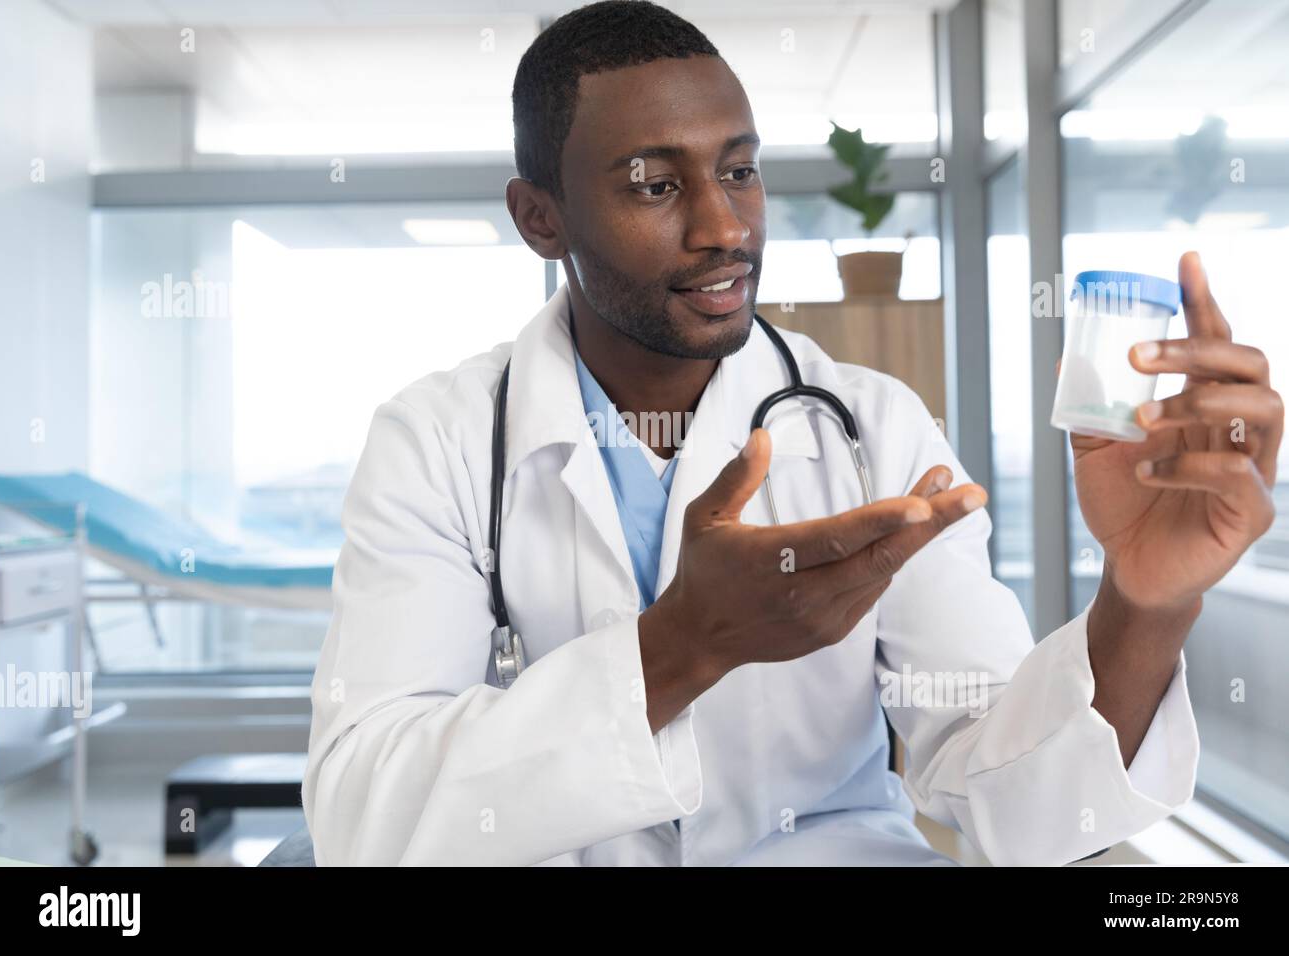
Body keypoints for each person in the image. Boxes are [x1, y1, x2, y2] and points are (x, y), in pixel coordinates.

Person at [301, 1, 1282, 866]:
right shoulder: (438, 442)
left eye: (738, 170)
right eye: (655, 184)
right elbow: (361, 820)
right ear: (540, 217)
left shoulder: (876, 429)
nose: (722, 225)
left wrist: (1144, 603)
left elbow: (1019, 809)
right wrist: (680, 647)